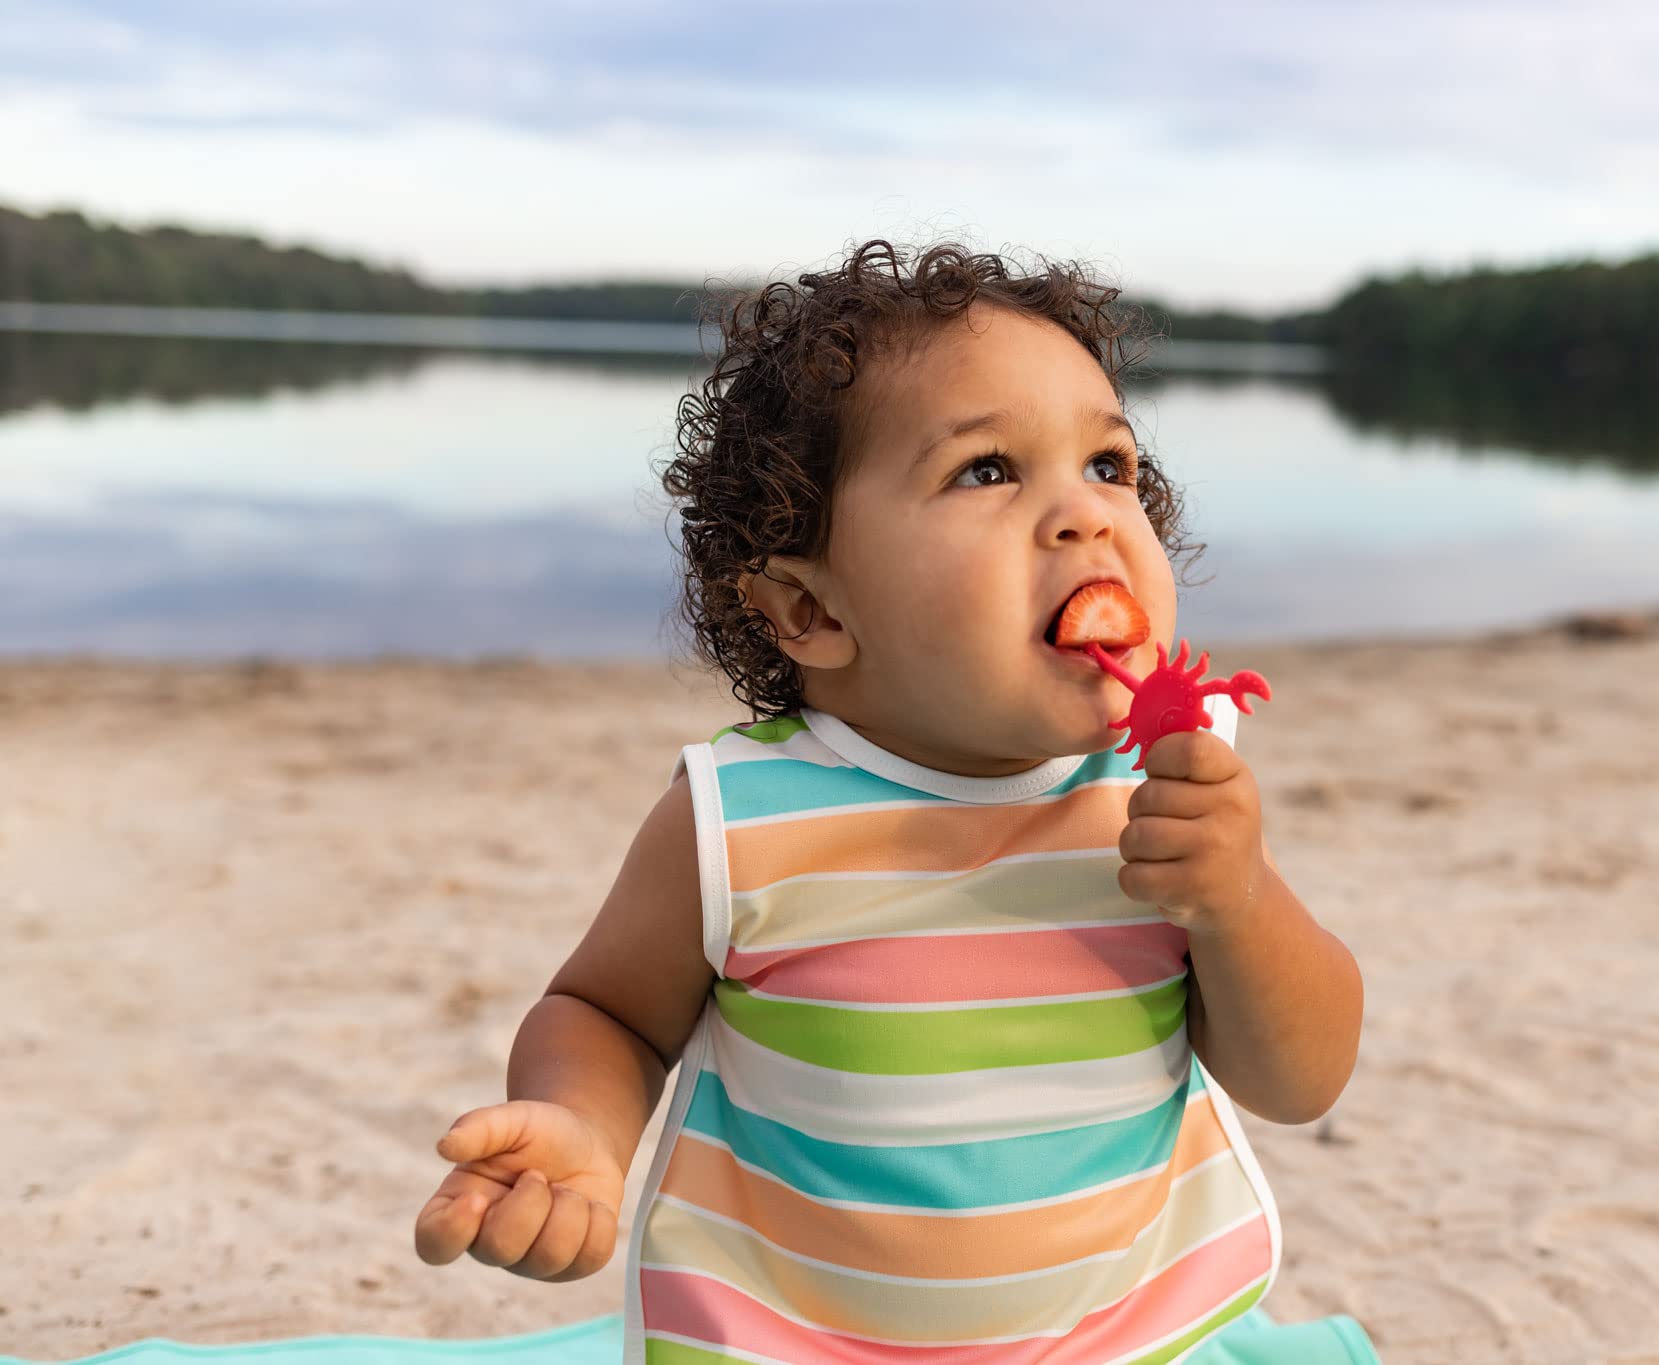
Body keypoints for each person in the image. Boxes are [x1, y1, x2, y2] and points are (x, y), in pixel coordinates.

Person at [414, 239, 1374, 1363]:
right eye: (987, 472)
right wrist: (580, 1132)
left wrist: (1240, 900)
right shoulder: (742, 817)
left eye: (1108, 466)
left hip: (1122, 1341)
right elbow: (609, 1013)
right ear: (808, 612)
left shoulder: (1155, 810)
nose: (1085, 516)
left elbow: (1299, 1080)